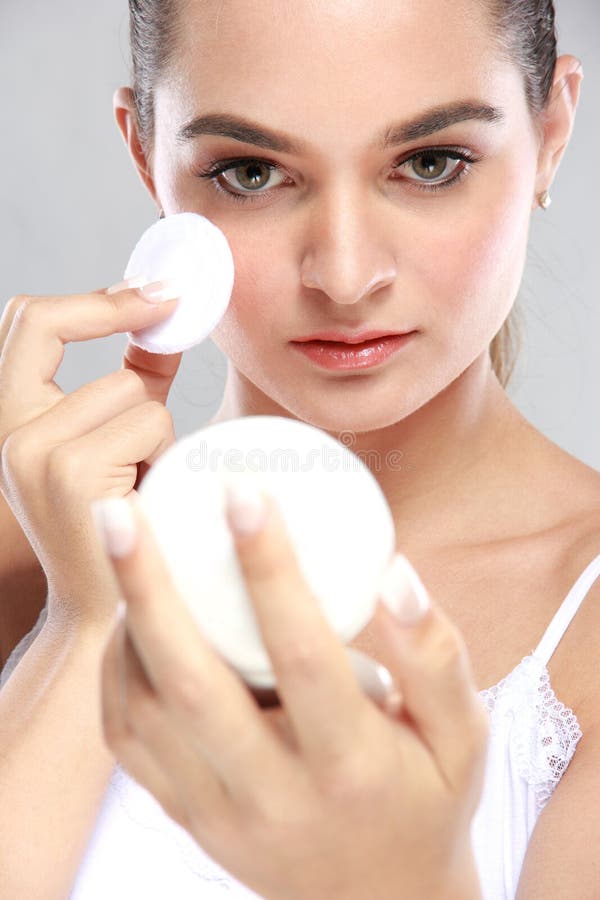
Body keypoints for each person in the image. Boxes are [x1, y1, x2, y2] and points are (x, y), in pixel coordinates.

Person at [0, 0, 598, 897]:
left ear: (551, 130)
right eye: (250, 172)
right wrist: (88, 624)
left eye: (431, 164)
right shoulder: (40, 552)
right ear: (144, 156)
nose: (347, 276)